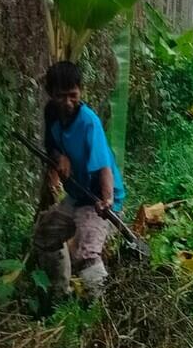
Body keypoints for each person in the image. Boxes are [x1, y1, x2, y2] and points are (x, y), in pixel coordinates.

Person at [34, 60, 125, 300]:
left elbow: (104, 167)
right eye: (60, 96)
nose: (67, 102)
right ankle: (59, 295)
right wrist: (59, 157)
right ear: (50, 94)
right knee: (45, 234)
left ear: (80, 91)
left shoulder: (88, 122)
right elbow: (51, 146)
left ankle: (102, 309)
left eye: (72, 95)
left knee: (87, 255)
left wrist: (107, 200)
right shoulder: (51, 113)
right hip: (76, 194)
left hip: (97, 197)